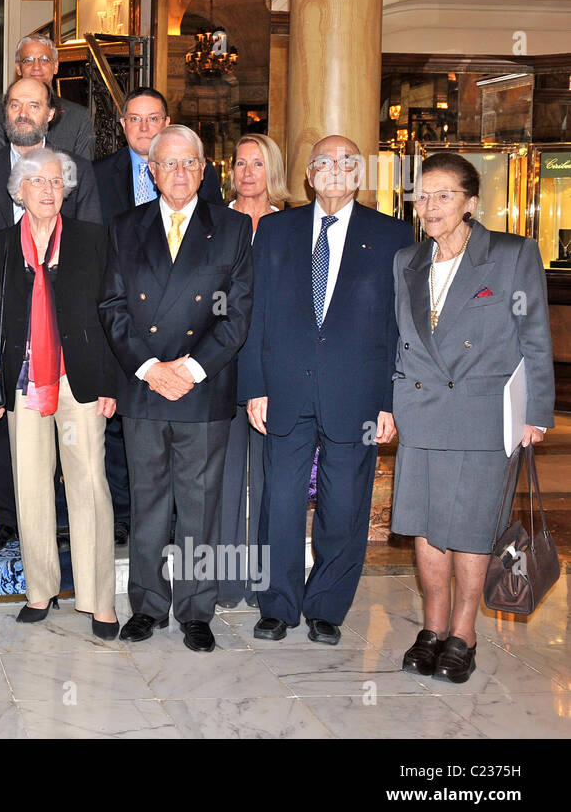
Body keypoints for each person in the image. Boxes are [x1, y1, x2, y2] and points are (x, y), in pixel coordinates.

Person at [240, 135, 412, 645]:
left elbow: (396, 327)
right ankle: (277, 605)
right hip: (285, 394)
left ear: (360, 175)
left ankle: (326, 608)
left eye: (346, 163)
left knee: (346, 506)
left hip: (356, 399)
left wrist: (388, 402)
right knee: (281, 502)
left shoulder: (393, 236)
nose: (335, 170)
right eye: (323, 162)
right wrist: (255, 387)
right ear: (309, 176)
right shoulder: (275, 231)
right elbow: (255, 315)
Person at [391, 152, 553, 683]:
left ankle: (464, 634)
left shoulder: (510, 254)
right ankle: (432, 629)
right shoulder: (407, 262)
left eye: (444, 195)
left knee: (472, 529)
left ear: (470, 203)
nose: (430, 206)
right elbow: (401, 343)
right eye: (423, 195)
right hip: (422, 413)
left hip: (483, 417)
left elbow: (534, 338)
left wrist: (536, 413)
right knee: (426, 528)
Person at [99, 125, 253, 653]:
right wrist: (148, 367)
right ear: (152, 171)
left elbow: (235, 316)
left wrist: (189, 368)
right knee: (147, 505)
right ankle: (146, 604)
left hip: (202, 390)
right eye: (169, 164)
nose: (180, 173)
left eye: (190, 163)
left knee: (199, 506)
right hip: (144, 389)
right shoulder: (124, 226)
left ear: (205, 168)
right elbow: (112, 307)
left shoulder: (232, 228)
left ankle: (195, 610)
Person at [0, 75, 102, 552]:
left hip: (61, 319)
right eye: (14, 104)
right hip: (0, 316)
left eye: (32, 105)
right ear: (5, 112)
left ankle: (55, 523)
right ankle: (4, 518)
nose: (22, 113)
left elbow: (94, 242)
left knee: (68, 434)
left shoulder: (75, 170)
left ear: (50, 114)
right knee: (2, 427)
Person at [0, 148, 120, 638]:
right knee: (31, 485)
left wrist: (108, 382)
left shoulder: (92, 240)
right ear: (20, 191)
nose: (48, 191)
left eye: (57, 182)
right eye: (38, 183)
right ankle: (40, 591)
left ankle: (99, 599)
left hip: (79, 381)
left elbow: (111, 316)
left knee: (89, 485)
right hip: (24, 382)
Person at [216, 133, 287, 608]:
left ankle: (264, 584)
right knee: (222, 480)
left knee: (269, 480)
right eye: (240, 163)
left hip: (275, 369)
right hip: (219, 367)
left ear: (273, 171)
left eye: (257, 164)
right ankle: (224, 582)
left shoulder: (295, 227)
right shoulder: (214, 222)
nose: (247, 172)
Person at [94, 88, 222, 224]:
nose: (144, 127)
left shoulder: (198, 169)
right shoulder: (97, 174)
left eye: (153, 118)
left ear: (166, 123)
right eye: (135, 119)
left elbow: (215, 225)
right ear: (124, 124)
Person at [0, 34, 94, 159]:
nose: (36, 67)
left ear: (55, 66)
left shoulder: (79, 117)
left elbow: (82, 172)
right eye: (28, 60)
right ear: (18, 68)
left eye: (44, 60)